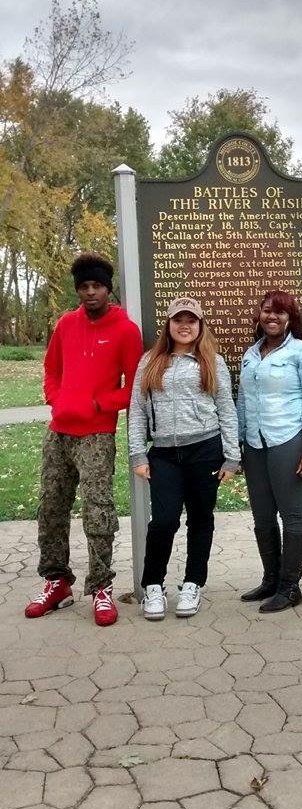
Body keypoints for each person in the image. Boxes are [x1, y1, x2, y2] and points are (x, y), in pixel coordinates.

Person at [25, 253, 143, 626]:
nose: (90, 293)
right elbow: (51, 368)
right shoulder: (65, 324)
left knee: (98, 510)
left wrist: (97, 403)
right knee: (51, 508)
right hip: (59, 432)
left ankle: (101, 587)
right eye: (84, 287)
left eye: (97, 286)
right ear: (78, 290)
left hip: (96, 434)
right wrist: (57, 400)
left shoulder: (126, 331)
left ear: (108, 289)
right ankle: (56, 581)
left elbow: (133, 388)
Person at [128, 296, 240, 620]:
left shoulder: (212, 361)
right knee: (163, 521)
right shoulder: (150, 360)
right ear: (169, 324)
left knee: (201, 519)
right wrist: (138, 454)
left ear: (200, 325)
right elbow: (136, 410)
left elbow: (227, 410)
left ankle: (193, 583)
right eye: (179, 320)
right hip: (163, 454)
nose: (185, 325)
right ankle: (153, 585)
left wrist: (231, 457)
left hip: (205, 450)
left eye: (191, 320)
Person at [237, 290, 302, 613]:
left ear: (291, 318)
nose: (272, 317)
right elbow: (243, 401)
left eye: (280, 312)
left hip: (287, 441)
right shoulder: (251, 354)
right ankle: (271, 579)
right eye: (266, 311)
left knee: (291, 516)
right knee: (262, 517)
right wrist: (239, 442)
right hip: (255, 445)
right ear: (259, 315)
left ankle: (291, 586)